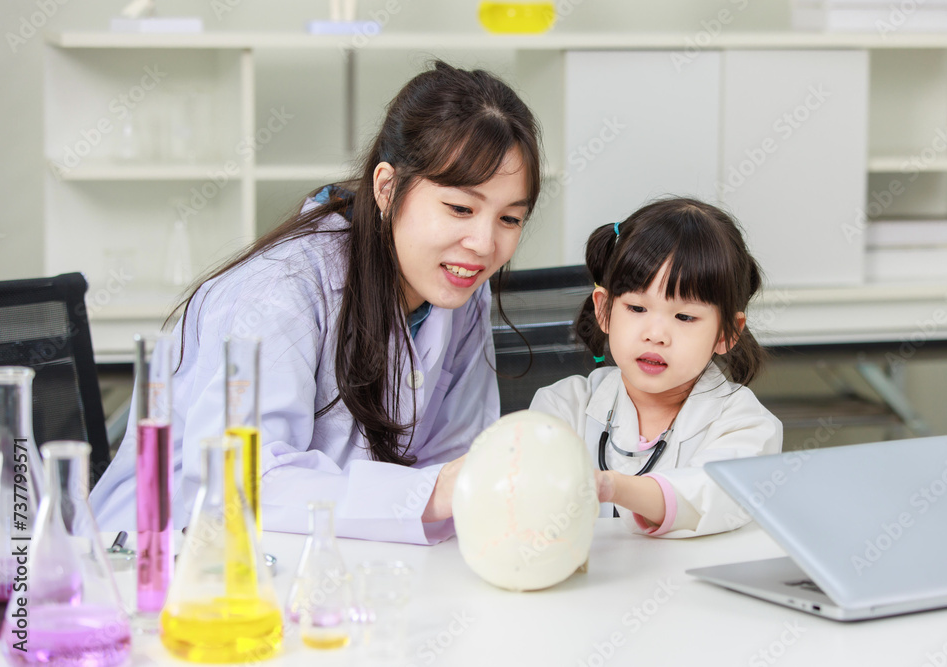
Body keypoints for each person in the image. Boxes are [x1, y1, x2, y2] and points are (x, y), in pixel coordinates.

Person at [91, 61, 542, 545]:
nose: (483, 244)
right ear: (387, 188)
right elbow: (242, 486)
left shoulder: (459, 286)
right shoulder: (282, 290)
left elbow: (458, 460)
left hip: (339, 558)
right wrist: (428, 494)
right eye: (460, 208)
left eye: (509, 219)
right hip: (160, 555)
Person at [530, 198, 782, 538]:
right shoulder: (562, 406)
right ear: (604, 310)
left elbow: (713, 493)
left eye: (684, 316)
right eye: (637, 308)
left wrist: (613, 487)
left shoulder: (747, 425)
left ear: (726, 333)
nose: (656, 335)